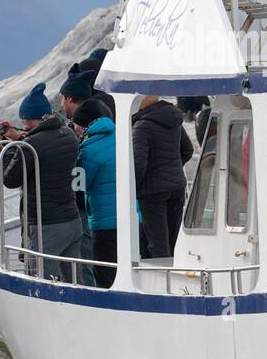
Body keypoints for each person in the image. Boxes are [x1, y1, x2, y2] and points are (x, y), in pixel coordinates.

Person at [0, 82, 83, 281]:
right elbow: (46, 144)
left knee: (41, 284)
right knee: (74, 283)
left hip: (46, 225)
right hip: (72, 221)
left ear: (25, 118)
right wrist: (20, 137)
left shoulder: (31, 145)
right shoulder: (68, 134)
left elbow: (10, 178)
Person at [132, 96, 193, 259]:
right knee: (172, 242)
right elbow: (187, 149)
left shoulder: (142, 126)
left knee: (158, 244)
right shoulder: (174, 120)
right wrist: (171, 169)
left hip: (153, 192)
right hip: (176, 187)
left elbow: (138, 164)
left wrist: (132, 190)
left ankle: (161, 281)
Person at [73, 99, 118, 288]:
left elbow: (80, 187)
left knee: (105, 275)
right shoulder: (122, 136)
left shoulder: (88, 151)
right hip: (131, 218)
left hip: (104, 222)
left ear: (84, 125)